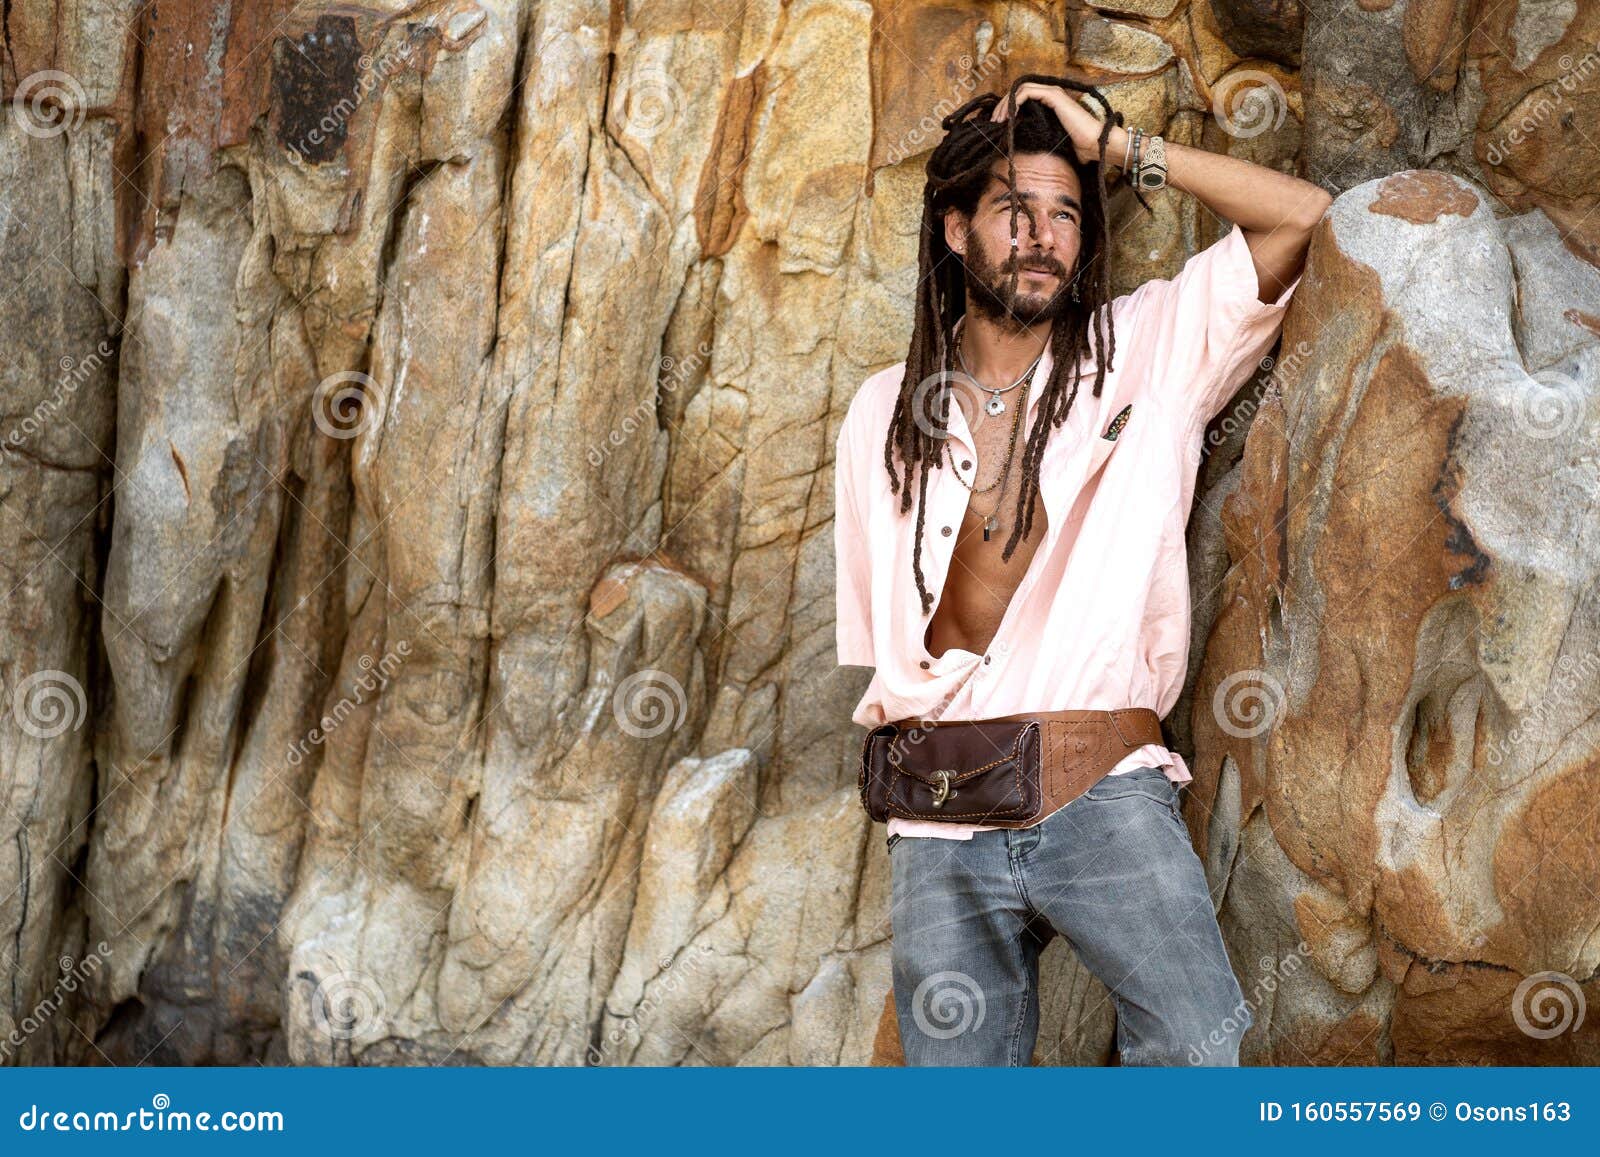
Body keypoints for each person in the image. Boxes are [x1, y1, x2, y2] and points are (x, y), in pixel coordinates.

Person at [833, 74, 1330, 1066]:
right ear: (953, 230)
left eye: (1065, 213)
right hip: (938, 811)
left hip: (1102, 783)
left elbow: (1301, 218)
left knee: (1195, 1044)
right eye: (1014, 209)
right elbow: (898, 649)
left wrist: (1119, 147)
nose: (1043, 233)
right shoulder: (884, 414)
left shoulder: (1144, 348)